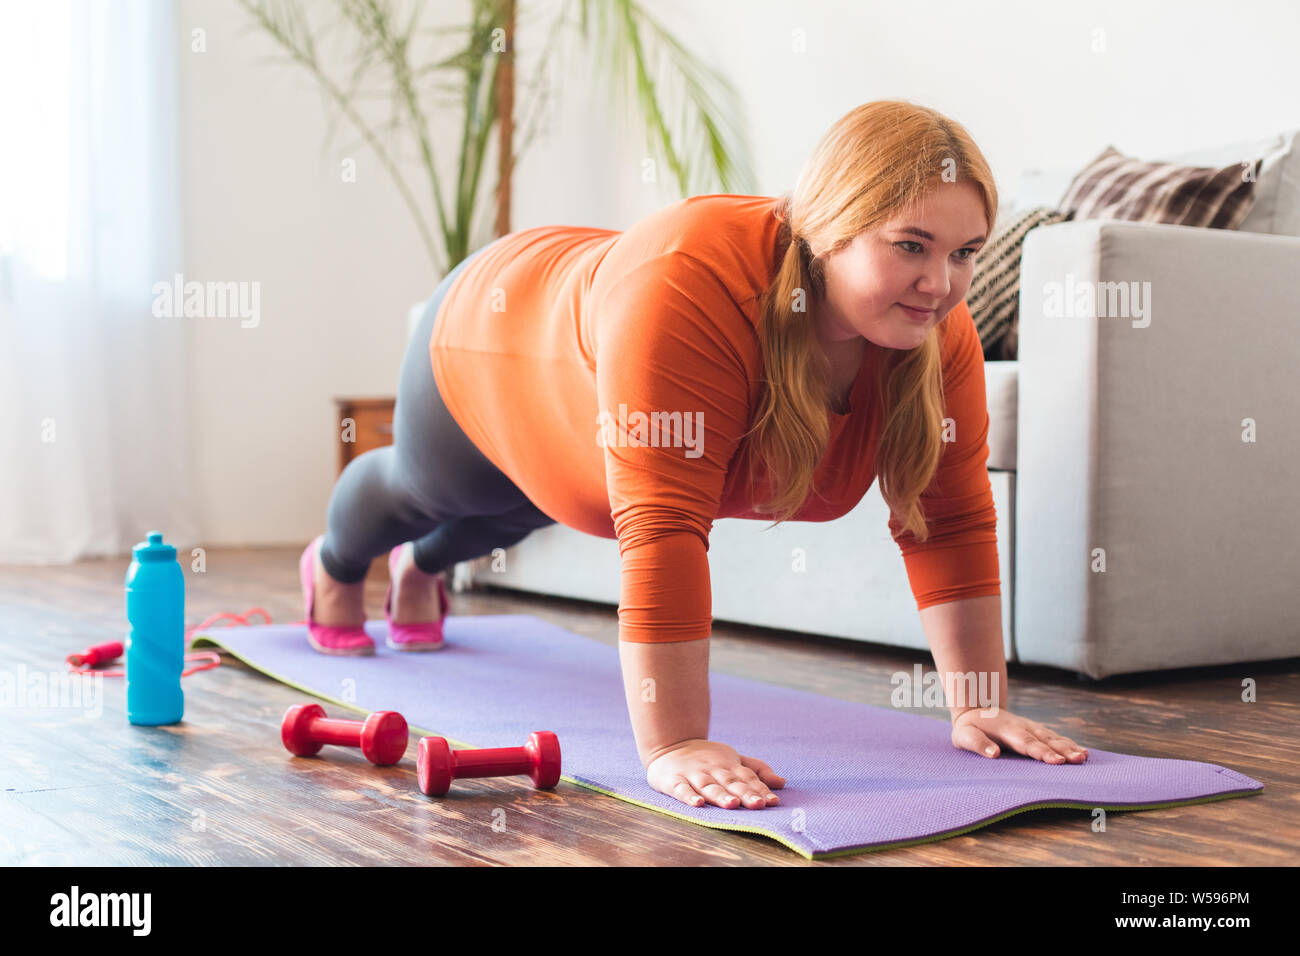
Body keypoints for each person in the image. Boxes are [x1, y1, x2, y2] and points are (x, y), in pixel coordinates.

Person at [302, 99, 1090, 812]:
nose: (940, 284)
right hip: (498, 340)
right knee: (426, 490)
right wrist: (674, 742)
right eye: (912, 245)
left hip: (577, 461)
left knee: (507, 519)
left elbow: (947, 519)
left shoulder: (933, 330)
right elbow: (667, 529)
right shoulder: (690, 279)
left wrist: (977, 703)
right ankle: (334, 567)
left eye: (965, 253)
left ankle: (423, 570)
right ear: (828, 225)